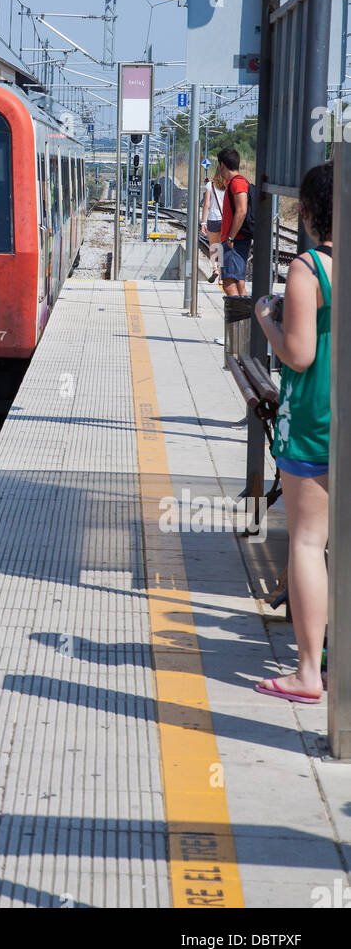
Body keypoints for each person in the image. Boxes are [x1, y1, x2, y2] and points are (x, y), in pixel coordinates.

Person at [253, 160, 332, 704]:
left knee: (308, 541)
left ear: (306, 212)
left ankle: (309, 672)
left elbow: (300, 356)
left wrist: (267, 320)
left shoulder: (309, 269)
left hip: (316, 422)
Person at [215, 148, 250, 297]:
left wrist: (230, 237)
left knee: (229, 282)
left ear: (222, 165)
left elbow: (241, 211)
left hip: (234, 242)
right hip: (234, 241)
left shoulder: (238, 183)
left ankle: (237, 318)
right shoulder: (235, 182)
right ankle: (244, 319)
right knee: (238, 280)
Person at [200, 169, 225, 283]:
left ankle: (215, 269)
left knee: (214, 246)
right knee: (223, 247)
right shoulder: (229, 185)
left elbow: (206, 204)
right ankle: (221, 277)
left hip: (213, 219)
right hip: (225, 220)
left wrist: (203, 222)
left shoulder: (210, 185)